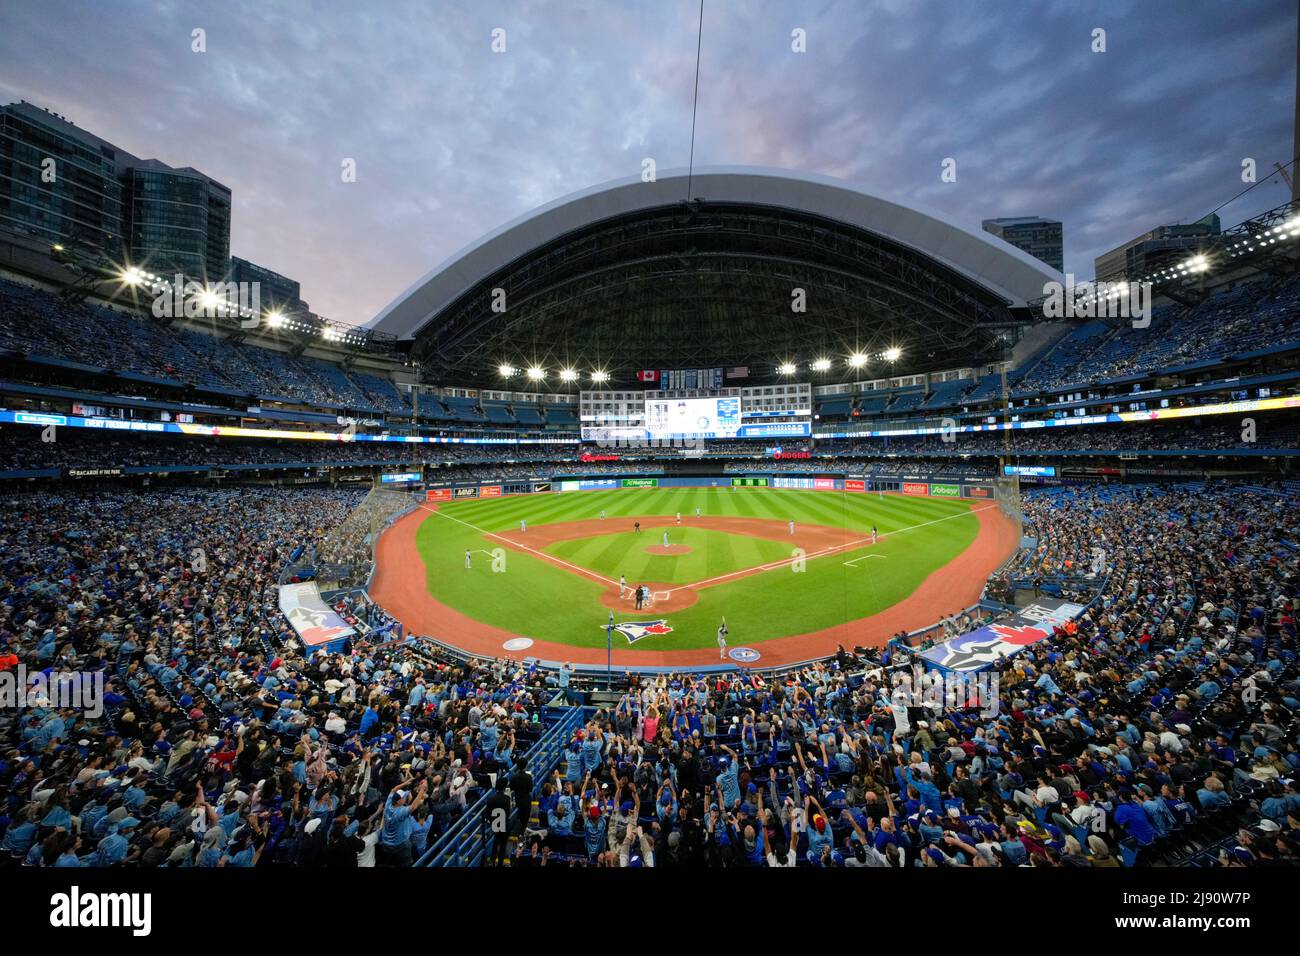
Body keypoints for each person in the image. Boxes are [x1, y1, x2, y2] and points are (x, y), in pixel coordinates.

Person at [484, 778, 512, 867]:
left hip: (495, 824)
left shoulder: (491, 799)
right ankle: (499, 864)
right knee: (502, 846)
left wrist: (493, 823)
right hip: (504, 825)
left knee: (495, 844)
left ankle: (492, 861)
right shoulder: (507, 799)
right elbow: (507, 813)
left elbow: (488, 814)